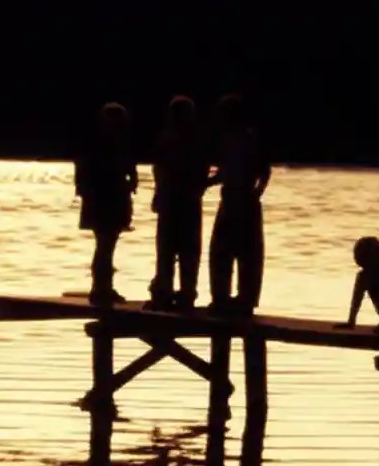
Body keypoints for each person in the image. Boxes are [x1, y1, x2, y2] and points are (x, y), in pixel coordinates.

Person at [207, 94, 271, 314]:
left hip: (244, 200)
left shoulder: (249, 139)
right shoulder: (227, 140)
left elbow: (264, 170)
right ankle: (222, 297)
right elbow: (225, 172)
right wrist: (207, 182)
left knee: (246, 253)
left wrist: (257, 192)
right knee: (222, 252)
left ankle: (245, 299)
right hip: (231, 199)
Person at [147, 96, 211, 311]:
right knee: (186, 251)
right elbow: (201, 169)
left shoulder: (168, 138)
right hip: (186, 201)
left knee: (168, 250)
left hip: (174, 200)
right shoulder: (195, 139)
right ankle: (184, 294)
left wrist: (158, 193)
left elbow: (160, 169)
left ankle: (166, 293)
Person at [74, 102, 138, 305]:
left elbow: (129, 168)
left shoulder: (110, 144)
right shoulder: (103, 145)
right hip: (105, 199)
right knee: (105, 244)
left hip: (110, 198)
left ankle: (102, 287)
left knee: (105, 245)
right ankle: (101, 288)